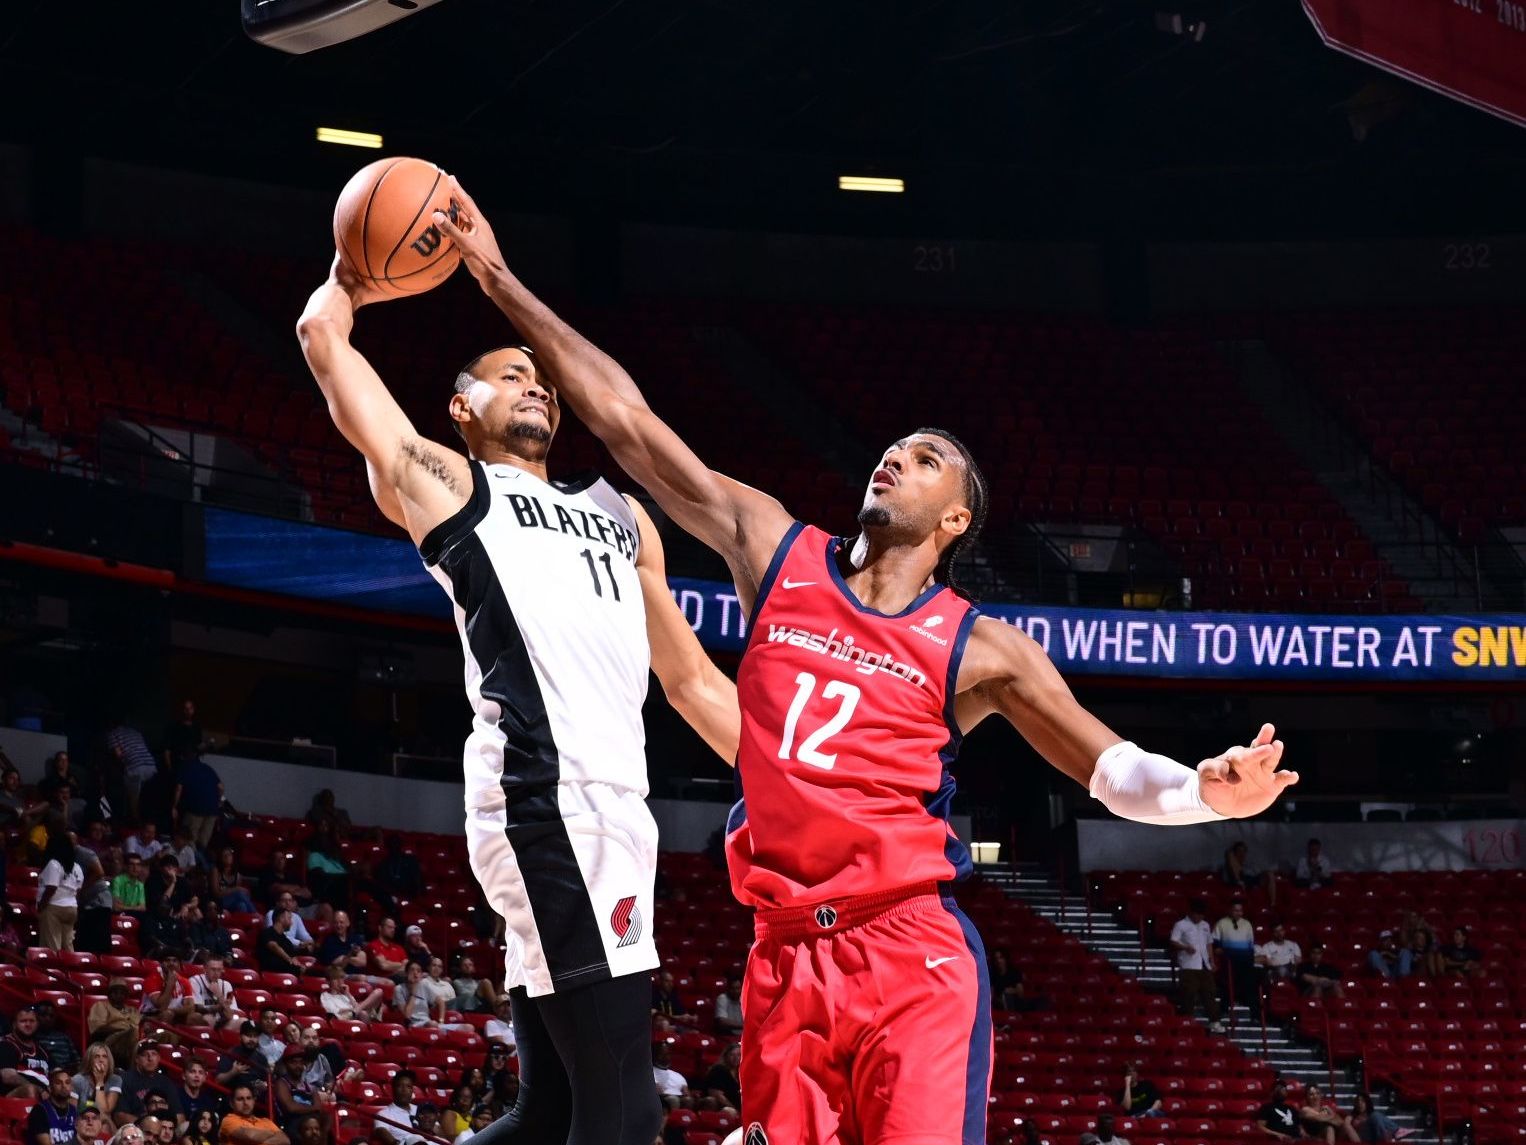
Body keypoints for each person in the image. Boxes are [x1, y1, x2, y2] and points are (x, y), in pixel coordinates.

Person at [428, 176, 1298, 1144]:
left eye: (924, 458)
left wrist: (1204, 793)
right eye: (892, 447)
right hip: (782, 954)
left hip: (906, 948)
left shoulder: (981, 644)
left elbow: (1109, 770)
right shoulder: (774, 550)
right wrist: (497, 277)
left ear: (956, 516)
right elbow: (630, 427)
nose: (894, 457)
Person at [298, 233, 746, 1145]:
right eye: (510, 373)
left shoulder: (624, 514)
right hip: (545, 800)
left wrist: (806, 782)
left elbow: (694, 679)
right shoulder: (448, 483)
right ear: (462, 407)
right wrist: (355, 273)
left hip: (620, 808)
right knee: (627, 1113)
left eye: (540, 376)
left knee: (549, 1114)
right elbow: (321, 338)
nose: (536, 382)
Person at [1171, 899, 1223, 1033]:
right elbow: (1173, 940)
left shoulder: (1205, 925)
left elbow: (1209, 944)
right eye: (1198, 915)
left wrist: (1211, 961)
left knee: (1209, 992)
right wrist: (1185, 947)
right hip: (1189, 965)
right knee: (1189, 993)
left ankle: (1214, 1021)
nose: (1200, 918)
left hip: (1204, 964)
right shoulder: (1180, 925)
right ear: (1192, 913)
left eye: (1202, 915)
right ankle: (1187, 1020)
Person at [37, 829, 85, 951]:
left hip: (54, 907)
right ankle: (69, 969)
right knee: (68, 945)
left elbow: (51, 887)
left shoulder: (54, 864)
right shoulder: (77, 867)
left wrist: (41, 905)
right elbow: (78, 889)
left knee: (52, 946)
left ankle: (53, 969)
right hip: (72, 908)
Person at [1212, 899, 1259, 1019]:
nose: (1238, 913)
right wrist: (1219, 951)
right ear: (1230, 910)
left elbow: (1251, 944)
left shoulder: (1247, 924)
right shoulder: (1221, 923)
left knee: (1249, 984)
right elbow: (1215, 943)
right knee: (1227, 985)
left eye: (1240, 910)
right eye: (1236, 910)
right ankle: (1224, 1009)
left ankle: (1252, 1012)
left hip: (1245, 961)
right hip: (1228, 960)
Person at [170, 752, 222, 852]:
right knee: (203, 841)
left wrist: (174, 806)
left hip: (195, 810)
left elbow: (178, 788)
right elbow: (220, 787)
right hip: (212, 810)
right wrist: (218, 801)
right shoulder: (208, 768)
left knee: (189, 840)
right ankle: (200, 863)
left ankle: (191, 862)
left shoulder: (185, 769)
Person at [1, 1006, 51, 1097]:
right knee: (30, 1089)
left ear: (37, 1024)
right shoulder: (6, 1045)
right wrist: (40, 1090)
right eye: (23, 1021)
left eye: (32, 1021)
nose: (28, 1024)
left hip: (46, 1092)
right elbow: (8, 1077)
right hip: (12, 1098)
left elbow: (56, 1071)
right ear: (14, 1024)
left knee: (70, 1092)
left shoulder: (42, 1049)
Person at [88, 982, 143, 1065]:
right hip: (110, 1040)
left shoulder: (132, 1010)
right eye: (115, 992)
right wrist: (121, 1030)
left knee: (166, 1035)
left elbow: (140, 1023)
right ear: (109, 994)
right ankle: (133, 1068)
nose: (119, 995)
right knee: (132, 1033)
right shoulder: (101, 1006)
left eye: (122, 993)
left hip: (135, 1038)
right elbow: (97, 1030)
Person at [217, 1083, 287, 1145]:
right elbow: (250, 1136)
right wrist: (273, 1134)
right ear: (232, 1104)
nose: (245, 1103)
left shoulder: (266, 1121)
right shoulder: (228, 1120)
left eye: (249, 1098)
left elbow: (285, 1140)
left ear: (254, 1101)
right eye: (240, 1099)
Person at [141, 954, 197, 1027]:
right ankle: (164, 1037)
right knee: (167, 1014)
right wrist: (170, 984)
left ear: (179, 964)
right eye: (167, 960)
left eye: (175, 961)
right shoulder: (152, 979)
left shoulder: (184, 981)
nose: (171, 963)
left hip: (175, 1014)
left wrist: (172, 1010)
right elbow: (161, 1007)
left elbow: (191, 1008)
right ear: (161, 963)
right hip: (151, 1015)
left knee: (196, 1017)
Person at [213, 1024, 269, 1096]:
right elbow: (218, 1080)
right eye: (248, 1036)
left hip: (255, 1099)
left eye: (255, 1036)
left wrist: (264, 1085)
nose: (252, 1039)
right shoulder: (230, 1054)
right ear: (240, 1037)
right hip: (233, 1097)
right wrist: (233, 1072)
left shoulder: (262, 1058)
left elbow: (267, 1082)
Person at [189, 956, 244, 1030]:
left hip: (223, 1021)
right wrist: (220, 1007)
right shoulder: (195, 981)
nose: (216, 973)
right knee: (207, 1018)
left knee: (243, 1021)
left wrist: (220, 996)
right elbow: (197, 1008)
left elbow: (230, 1014)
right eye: (213, 969)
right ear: (205, 968)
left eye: (219, 970)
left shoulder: (227, 985)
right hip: (205, 1018)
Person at [319, 964, 385, 1022]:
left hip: (356, 1016)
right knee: (362, 1013)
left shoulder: (346, 995)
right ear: (328, 981)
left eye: (341, 978)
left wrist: (348, 994)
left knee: (379, 991)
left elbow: (356, 1007)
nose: (339, 981)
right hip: (343, 1019)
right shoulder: (325, 996)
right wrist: (352, 1010)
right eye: (335, 979)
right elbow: (334, 1011)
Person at [72, 1044, 123, 1119]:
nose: (101, 1060)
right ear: (89, 1060)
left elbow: (104, 1111)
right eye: (96, 1056)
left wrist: (100, 1082)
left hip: (104, 1121)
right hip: (83, 1120)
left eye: (104, 1056)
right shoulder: (77, 1080)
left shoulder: (115, 1080)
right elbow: (73, 1112)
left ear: (109, 1061)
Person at [373, 1071, 423, 1145]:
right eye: (400, 1086)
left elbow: (436, 1129)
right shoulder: (384, 1114)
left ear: (412, 1090)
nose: (404, 1090)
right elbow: (381, 1130)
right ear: (393, 1090)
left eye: (408, 1086)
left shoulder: (420, 1109)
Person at [30, 1068, 78, 1145]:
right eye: (58, 1083)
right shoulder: (39, 1110)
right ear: (50, 1088)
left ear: (71, 1088)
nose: (64, 1086)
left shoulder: (73, 1111)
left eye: (67, 1082)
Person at [32, 1002, 80, 1077]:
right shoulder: (32, 1038)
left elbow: (77, 1061)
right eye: (44, 1015)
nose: (48, 1018)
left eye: (51, 1016)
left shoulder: (64, 1037)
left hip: (66, 1074)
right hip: (42, 1075)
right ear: (36, 1016)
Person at [363, 919, 407, 984]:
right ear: (380, 928)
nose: (393, 930)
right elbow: (383, 966)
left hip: (398, 978)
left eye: (394, 928)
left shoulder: (399, 948)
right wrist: (401, 964)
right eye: (389, 927)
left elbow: (407, 966)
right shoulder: (373, 946)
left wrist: (389, 964)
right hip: (380, 981)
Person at [702, 1044, 741, 1117]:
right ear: (726, 1056)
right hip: (724, 1106)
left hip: (739, 1106)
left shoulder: (741, 1072)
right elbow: (716, 1094)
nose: (736, 1058)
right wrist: (734, 1108)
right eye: (732, 1055)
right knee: (729, 1111)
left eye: (739, 1055)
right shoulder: (719, 1070)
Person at [651, 1043, 689, 1111]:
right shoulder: (650, 1073)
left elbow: (686, 1093)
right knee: (673, 1099)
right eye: (662, 1054)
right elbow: (658, 1091)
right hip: (662, 1100)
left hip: (678, 1098)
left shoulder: (677, 1075)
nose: (667, 1057)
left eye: (667, 1054)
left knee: (688, 1100)